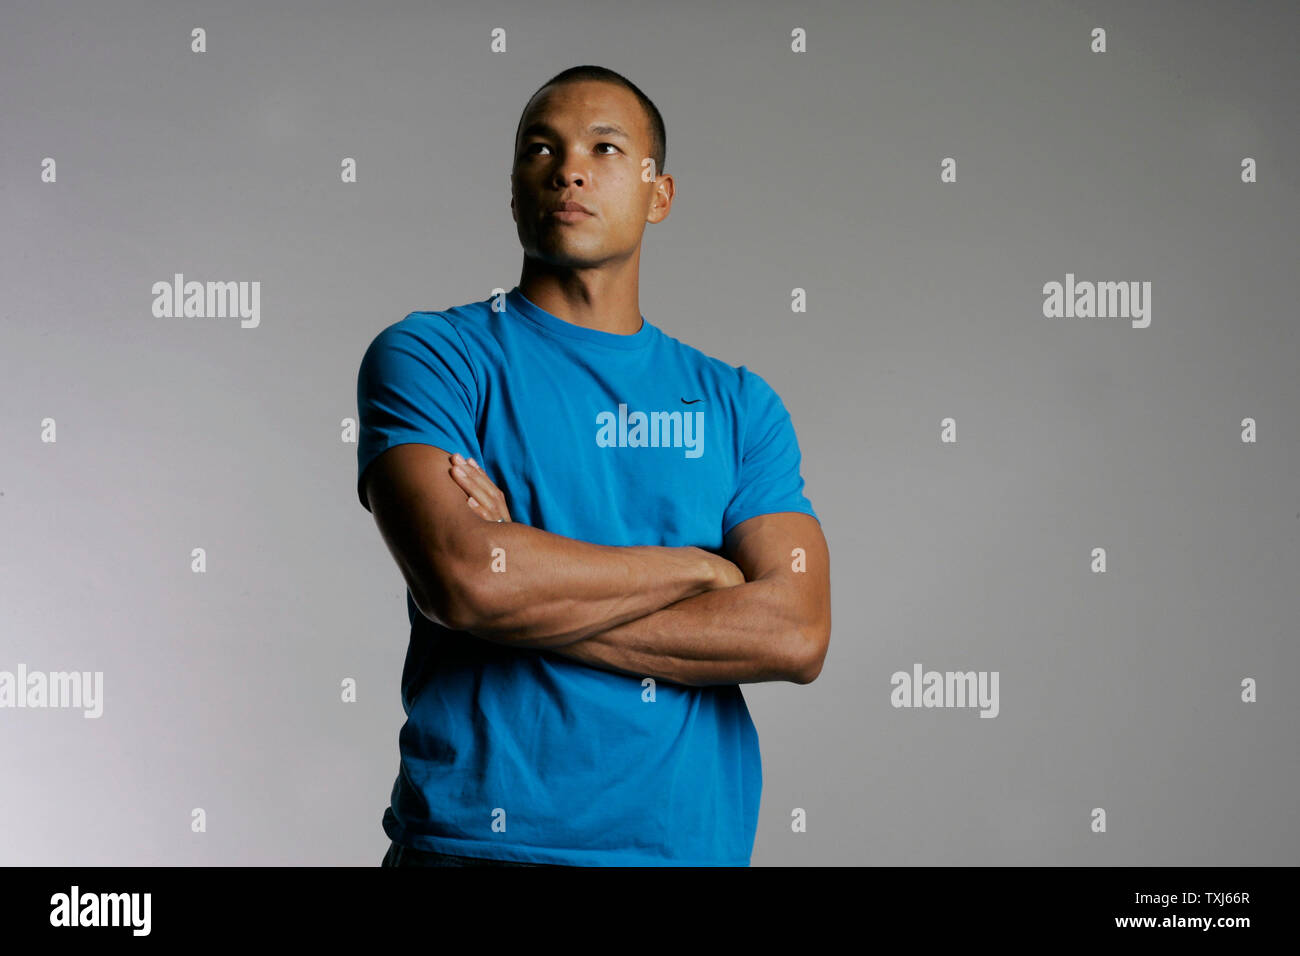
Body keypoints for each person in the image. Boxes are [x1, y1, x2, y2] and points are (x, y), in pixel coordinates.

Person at [357, 65, 831, 867]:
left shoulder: (739, 405)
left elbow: (796, 631)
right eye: (540, 149)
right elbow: (466, 579)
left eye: (605, 149)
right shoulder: (433, 358)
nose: (568, 168)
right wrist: (701, 570)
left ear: (660, 195)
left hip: (687, 851)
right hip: (480, 850)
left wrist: (527, 592)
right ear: (514, 192)